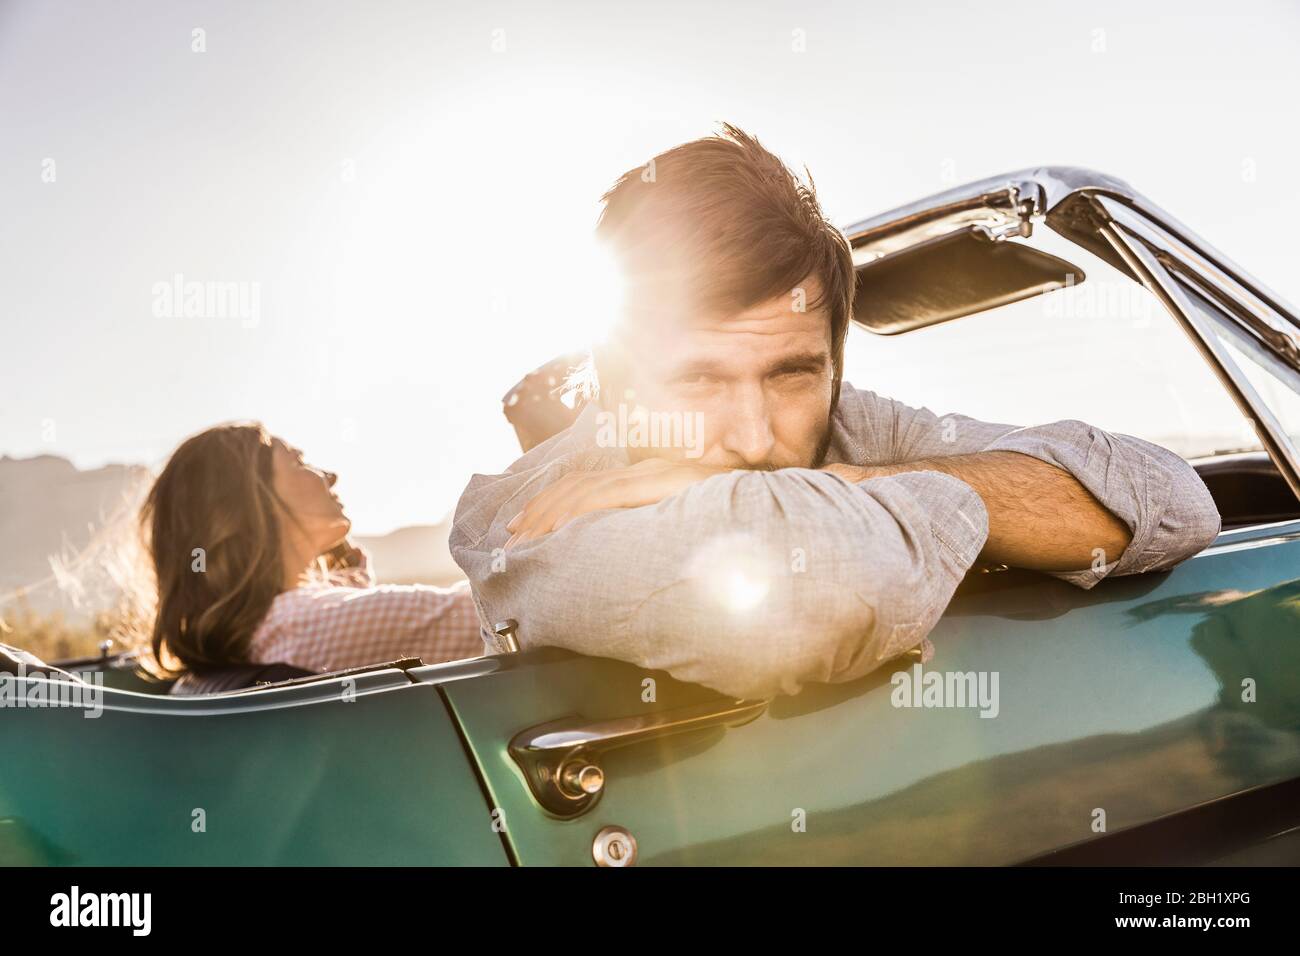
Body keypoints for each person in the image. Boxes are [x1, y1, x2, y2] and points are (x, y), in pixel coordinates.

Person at [450, 124, 1222, 700]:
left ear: (834, 363)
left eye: (790, 374)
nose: (754, 436)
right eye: (698, 383)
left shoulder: (853, 428)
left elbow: (1171, 501)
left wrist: (857, 479)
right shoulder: (520, 514)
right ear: (618, 382)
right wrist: (981, 504)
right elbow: (820, 595)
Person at [139, 422, 481, 677]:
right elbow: (505, 612)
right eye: (299, 462)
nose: (329, 475)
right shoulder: (306, 624)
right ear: (253, 506)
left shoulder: (256, 636)